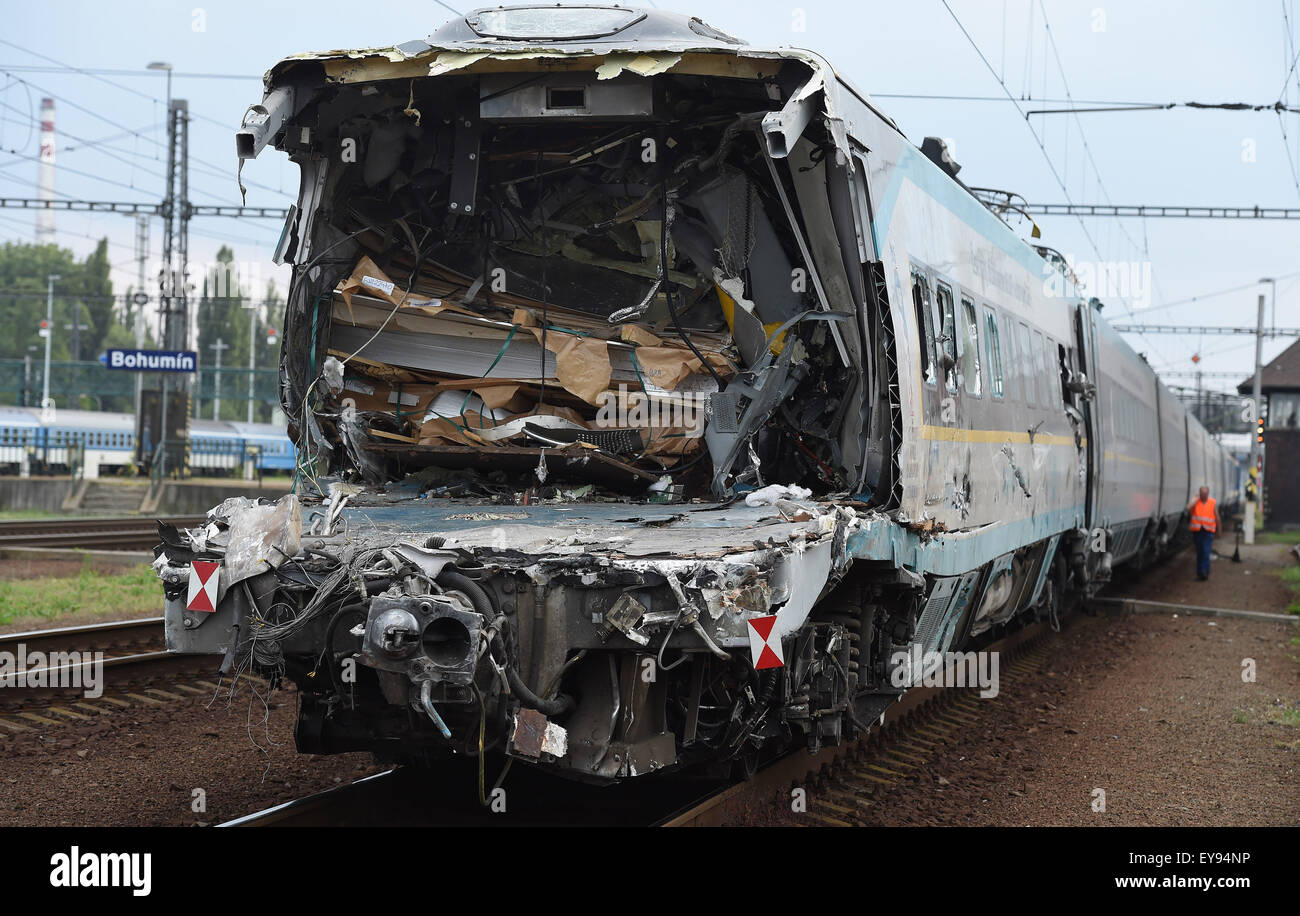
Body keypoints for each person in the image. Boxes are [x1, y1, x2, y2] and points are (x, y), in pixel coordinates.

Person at [1188, 486, 1220, 581]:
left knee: (1206, 551)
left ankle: (1204, 572)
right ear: (1200, 494)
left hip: (1208, 531)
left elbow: (1217, 517)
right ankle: (1200, 572)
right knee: (1199, 552)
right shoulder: (1195, 502)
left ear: (1208, 494)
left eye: (1205, 494)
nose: (1204, 496)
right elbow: (1188, 507)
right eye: (1202, 494)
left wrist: (1219, 530)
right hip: (1197, 531)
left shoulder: (1212, 502)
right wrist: (1196, 499)